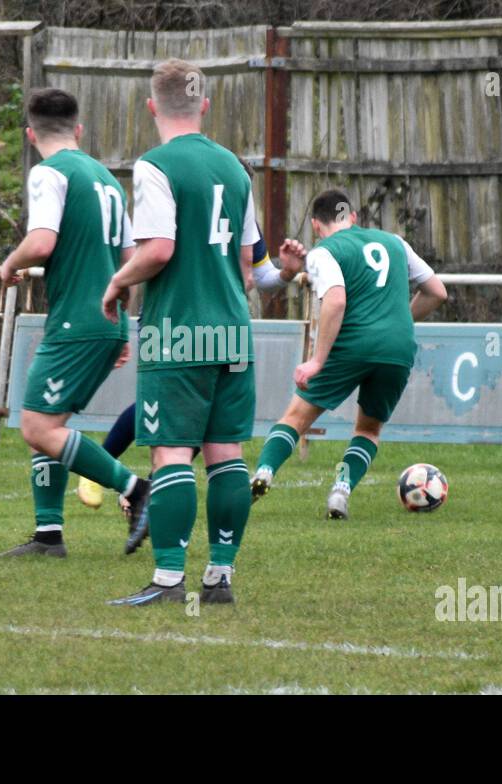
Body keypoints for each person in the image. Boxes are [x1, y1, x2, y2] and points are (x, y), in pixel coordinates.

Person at [101, 59, 259, 606]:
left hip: (179, 330)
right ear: (205, 106)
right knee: (226, 453)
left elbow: (159, 249)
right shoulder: (236, 169)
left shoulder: (154, 165)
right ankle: (220, 578)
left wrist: (118, 282)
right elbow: (245, 259)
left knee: (171, 453)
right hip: (233, 329)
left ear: (152, 107)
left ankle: (169, 580)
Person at [0, 87, 152, 558]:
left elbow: (41, 242)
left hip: (76, 321)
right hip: (105, 318)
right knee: (52, 421)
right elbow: (130, 260)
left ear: (29, 134)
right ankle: (48, 535)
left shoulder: (49, 173)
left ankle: (135, 488)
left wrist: (8, 264)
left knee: (38, 427)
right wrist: (121, 325)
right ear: (79, 130)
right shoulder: (105, 178)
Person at [251, 189, 447, 519]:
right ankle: (341, 490)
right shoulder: (395, 242)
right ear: (353, 217)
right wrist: (393, 322)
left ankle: (263, 473)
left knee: (296, 418)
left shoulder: (323, 252)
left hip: (351, 343)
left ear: (316, 225)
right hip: (398, 346)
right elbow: (437, 292)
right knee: (368, 430)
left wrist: (316, 360)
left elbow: (336, 301)